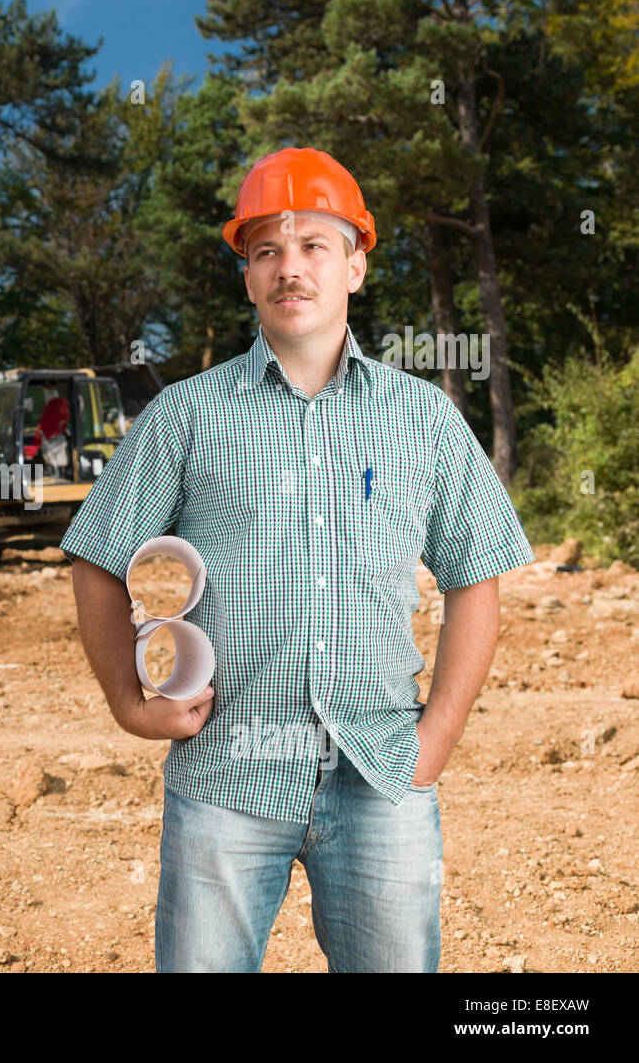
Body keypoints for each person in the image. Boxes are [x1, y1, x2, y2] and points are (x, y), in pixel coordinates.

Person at [58, 146, 536, 973]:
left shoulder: (421, 419)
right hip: (226, 777)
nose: (291, 267)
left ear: (355, 262)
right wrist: (130, 704)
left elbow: (475, 575)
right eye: (267, 250)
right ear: (246, 276)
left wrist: (440, 735)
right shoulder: (188, 416)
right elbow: (97, 555)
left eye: (315, 244)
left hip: (383, 776)